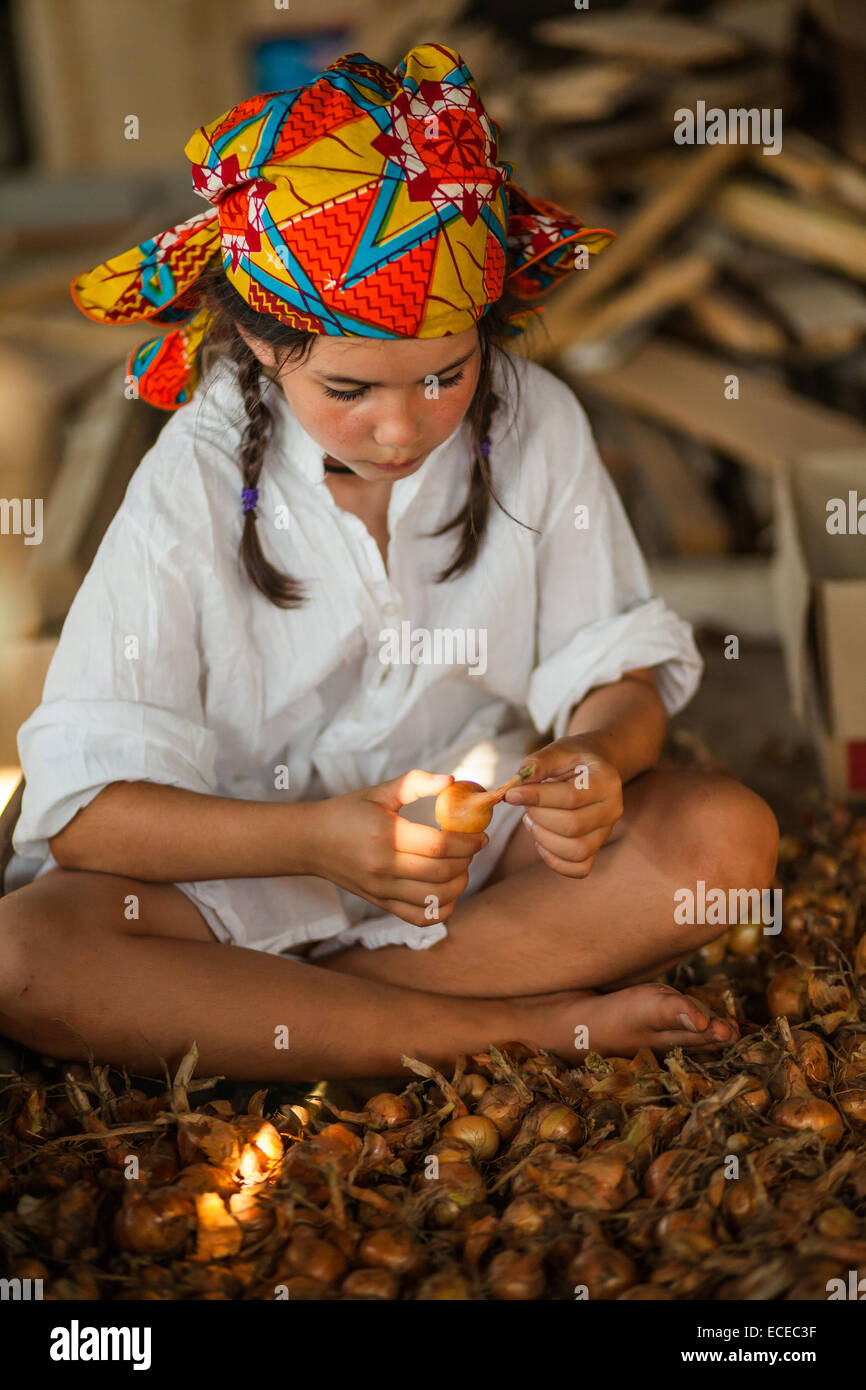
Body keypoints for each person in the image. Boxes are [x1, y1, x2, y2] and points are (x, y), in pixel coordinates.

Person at [0, 44, 778, 1081]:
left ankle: (291, 1013)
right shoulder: (188, 479)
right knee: (25, 957)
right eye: (352, 389)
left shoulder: (536, 421)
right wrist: (316, 840)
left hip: (475, 876)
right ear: (262, 343)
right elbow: (92, 817)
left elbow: (615, 671)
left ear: (484, 331)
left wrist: (593, 757)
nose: (401, 427)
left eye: (444, 376)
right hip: (226, 882)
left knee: (720, 843)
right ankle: (518, 1026)